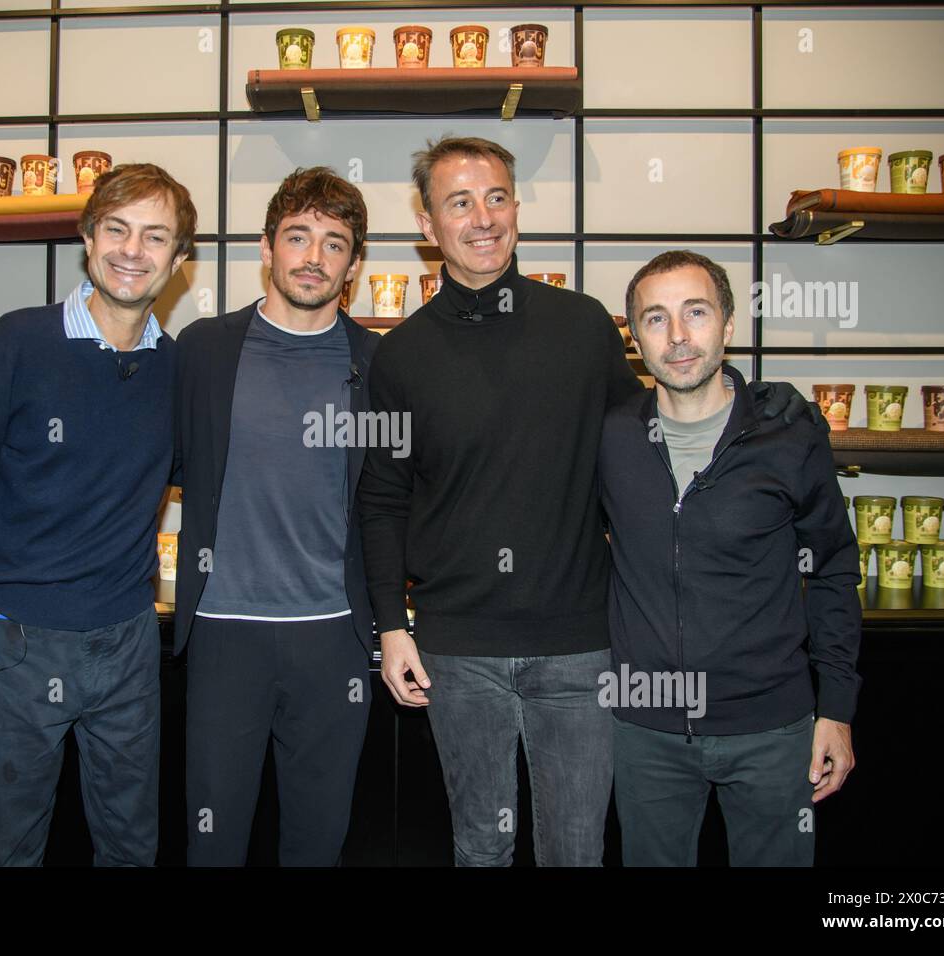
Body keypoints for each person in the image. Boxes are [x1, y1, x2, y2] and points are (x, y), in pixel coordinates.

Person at [359, 135, 815, 866]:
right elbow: (380, 500)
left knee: (575, 852)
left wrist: (767, 412)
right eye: (460, 202)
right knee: (481, 848)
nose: (483, 217)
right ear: (428, 226)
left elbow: (656, 435)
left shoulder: (582, 326)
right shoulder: (400, 355)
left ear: (516, 208)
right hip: (456, 650)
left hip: (581, 648)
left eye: (498, 197)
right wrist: (390, 627)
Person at [0, 162, 196, 866]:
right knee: (13, 850)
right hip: (15, 646)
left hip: (128, 645)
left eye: (155, 237)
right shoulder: (21, 341)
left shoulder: (176, 369)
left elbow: (211, 477)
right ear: (88, 237)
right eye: (118, 229)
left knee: (131, 849)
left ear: (179, 260)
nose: (133, 250)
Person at [599, 250, 860, 866]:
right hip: (646, 728)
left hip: (773, 727)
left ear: (729, 325)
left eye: (696, 312)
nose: (680, 336)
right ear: (635, 338)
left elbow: (832, 567)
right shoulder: (612, 437)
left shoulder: (788, 432)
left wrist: (838, 710)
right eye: (656, 319)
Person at [173, 167, 380, 866]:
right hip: (223, 631)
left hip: (335, 639)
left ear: (353, 265)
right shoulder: (203, 350)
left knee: (318, 842)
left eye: (334, 243)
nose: (313, 257)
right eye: (298, 236)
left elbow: (392, 501)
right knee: (213, 839)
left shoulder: (378, 364)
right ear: (267, 247)